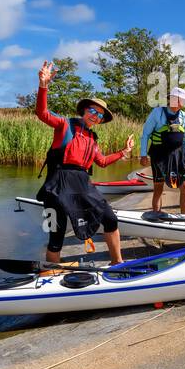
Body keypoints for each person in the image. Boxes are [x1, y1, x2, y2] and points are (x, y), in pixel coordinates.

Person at [33, 60, 133, 265]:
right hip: (57, 184)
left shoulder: (92, 139)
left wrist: (124, 151)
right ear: (85, 110)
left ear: (101, 120)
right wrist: (43, 85)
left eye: (100, 115)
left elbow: (102, 162)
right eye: (92, 111)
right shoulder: (65, 125)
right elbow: (42, 113)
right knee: (56, 236)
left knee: (110, 219)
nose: (95, 116)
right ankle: (49, 274)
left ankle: (117, 262)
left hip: (82, 184)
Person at [140, 86, 185, 213]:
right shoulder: (157, 112)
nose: (183, 103)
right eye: (181, 100)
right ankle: (156, 216)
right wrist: (143, 155)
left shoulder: (184, 116)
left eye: (183, 100)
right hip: (159, 155)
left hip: (178, 155)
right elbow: (145, 134)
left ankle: (184, 217)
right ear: (172, 99)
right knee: (158, 188)